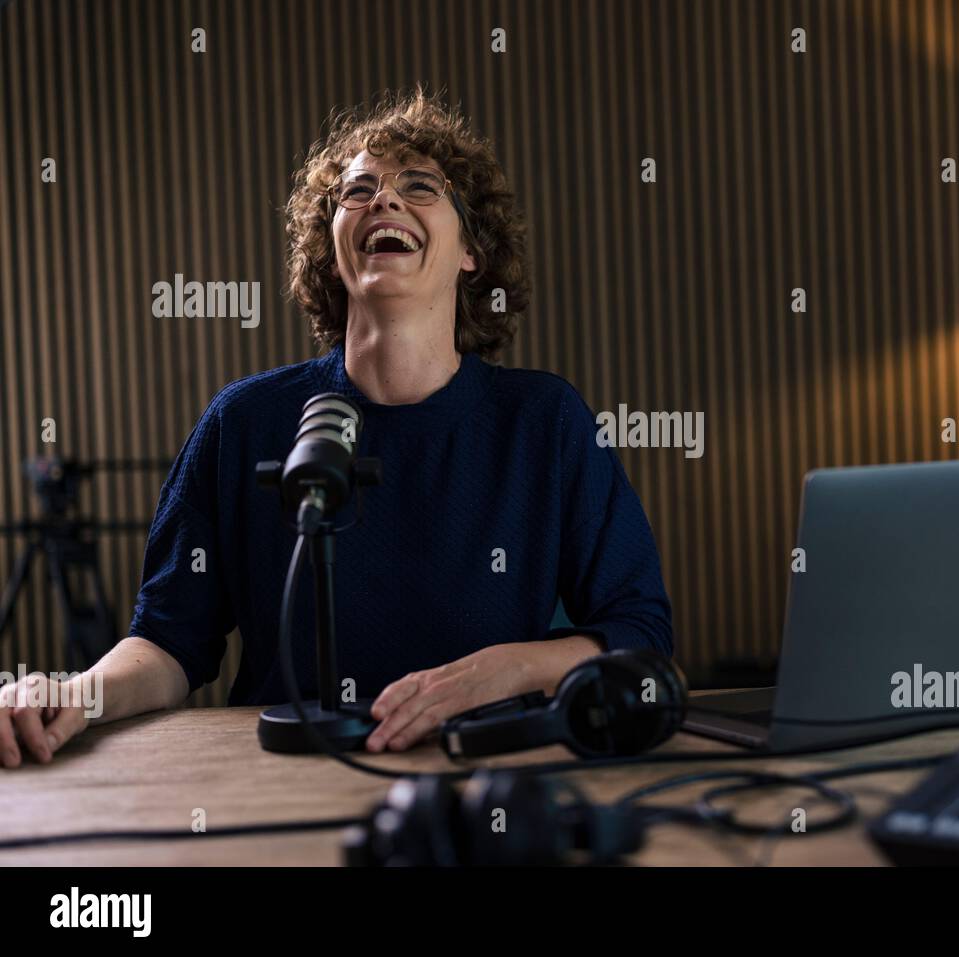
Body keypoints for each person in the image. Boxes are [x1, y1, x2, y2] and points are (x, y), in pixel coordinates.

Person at [0, 90, 672, 769]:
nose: (385, 200)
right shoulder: (243, 421)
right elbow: (169, 644)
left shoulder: (545, 422)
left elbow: (639, 635)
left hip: (488, 777)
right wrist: (77, 692)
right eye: (359, 191)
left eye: (418, 187)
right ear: (331, 251)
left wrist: (506, 669)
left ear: (472, 250)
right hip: (280, 784)